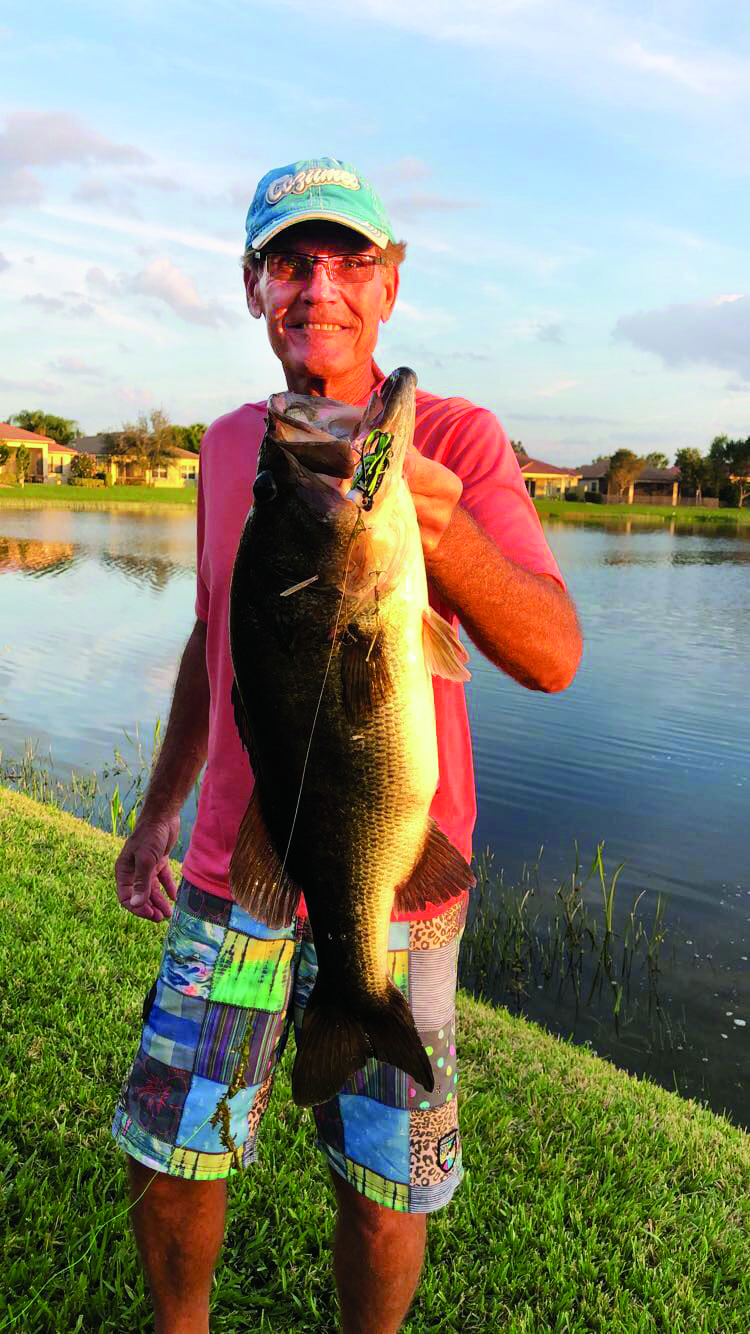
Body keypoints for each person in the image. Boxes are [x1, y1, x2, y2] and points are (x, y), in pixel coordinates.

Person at [112, 157, 582, 1334]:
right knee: (174, 1146)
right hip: (236, 866)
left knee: (385, 1185)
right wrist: (159, 809)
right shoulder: (232, 447)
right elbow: (212, 636)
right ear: (255, 288)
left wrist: (442, 531)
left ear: (389, 286)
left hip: (395, 879)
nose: (318, 284)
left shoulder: (459, 441)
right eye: (289, 261)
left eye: (348, 260)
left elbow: (553, 653)